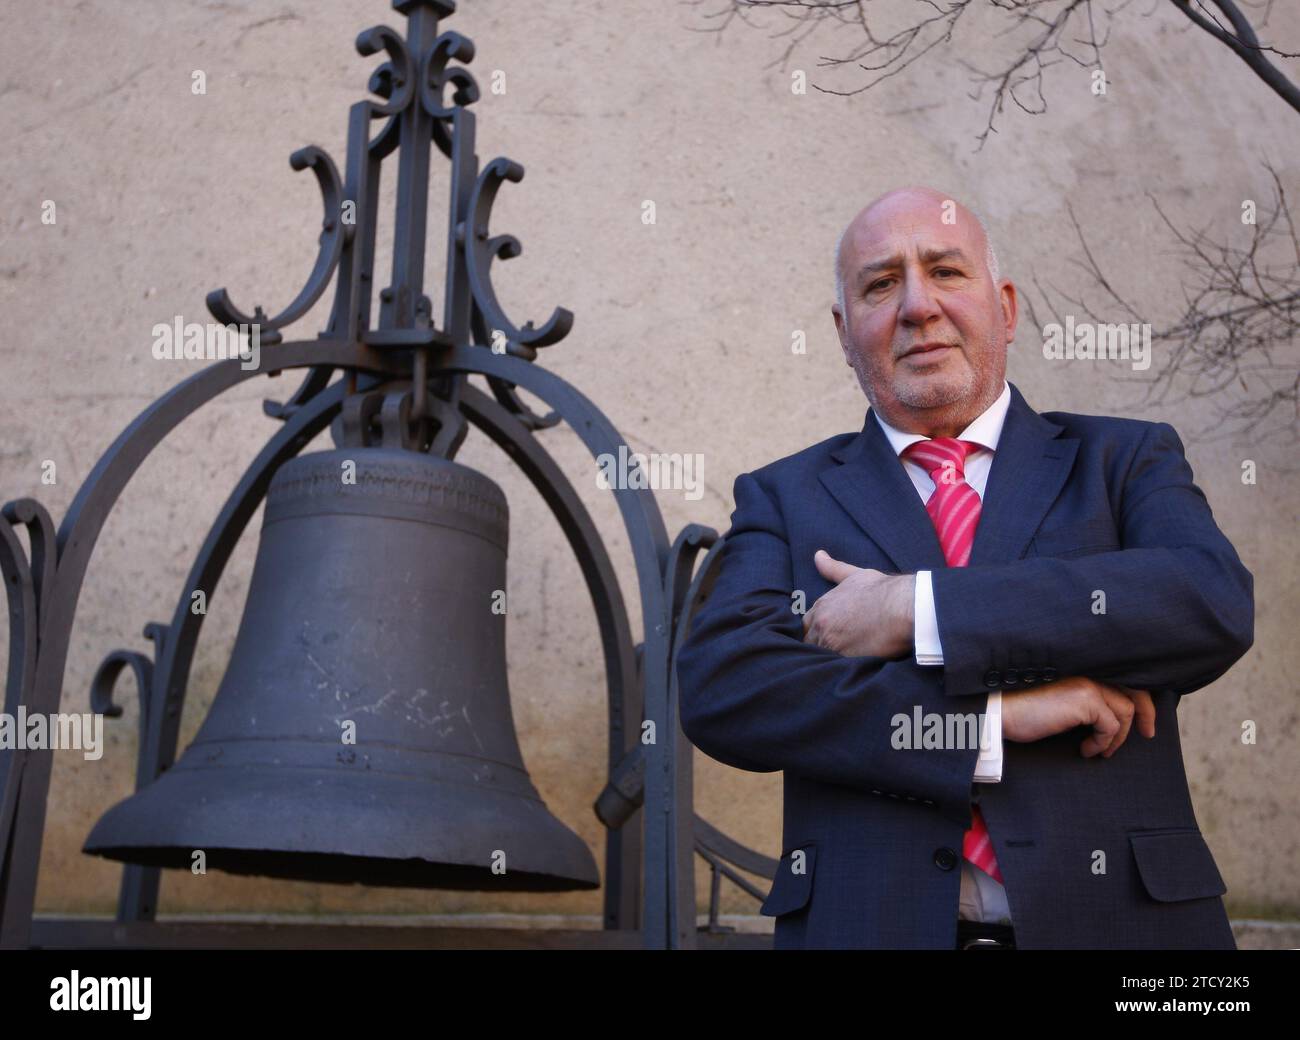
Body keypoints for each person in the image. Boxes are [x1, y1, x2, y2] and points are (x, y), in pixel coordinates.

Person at [674, 187, 1254, 949]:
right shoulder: (784, 497)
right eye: (881, 285)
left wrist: (916, 610)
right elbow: (727, 685)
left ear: (1005, 307)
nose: (918, 306)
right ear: (846, 335)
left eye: (946, 271)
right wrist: (985, 724)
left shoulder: (1123, 461)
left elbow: (1207, 601)